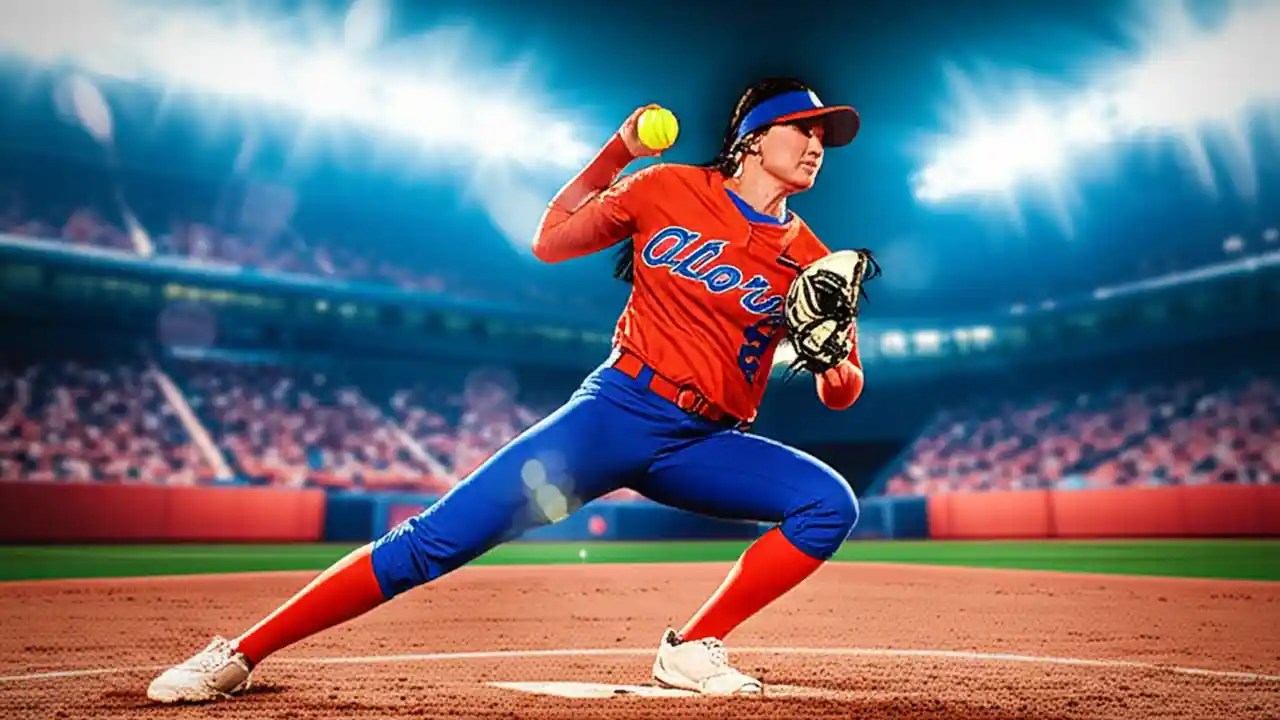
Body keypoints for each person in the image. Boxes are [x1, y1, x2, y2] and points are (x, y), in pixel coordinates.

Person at [147, 77, 868, 702]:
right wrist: (618, 152)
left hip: (704, 441)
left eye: (824, 137)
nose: (816, 145)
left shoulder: (817, 263)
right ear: (751, 138)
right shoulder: (667, 188)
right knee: (432, 542)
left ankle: (690, 648)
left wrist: (834, 363)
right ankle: (239, 654)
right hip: (616, 412)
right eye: (802, 128)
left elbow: (843, 392)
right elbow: (551, 241)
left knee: (828, 504)